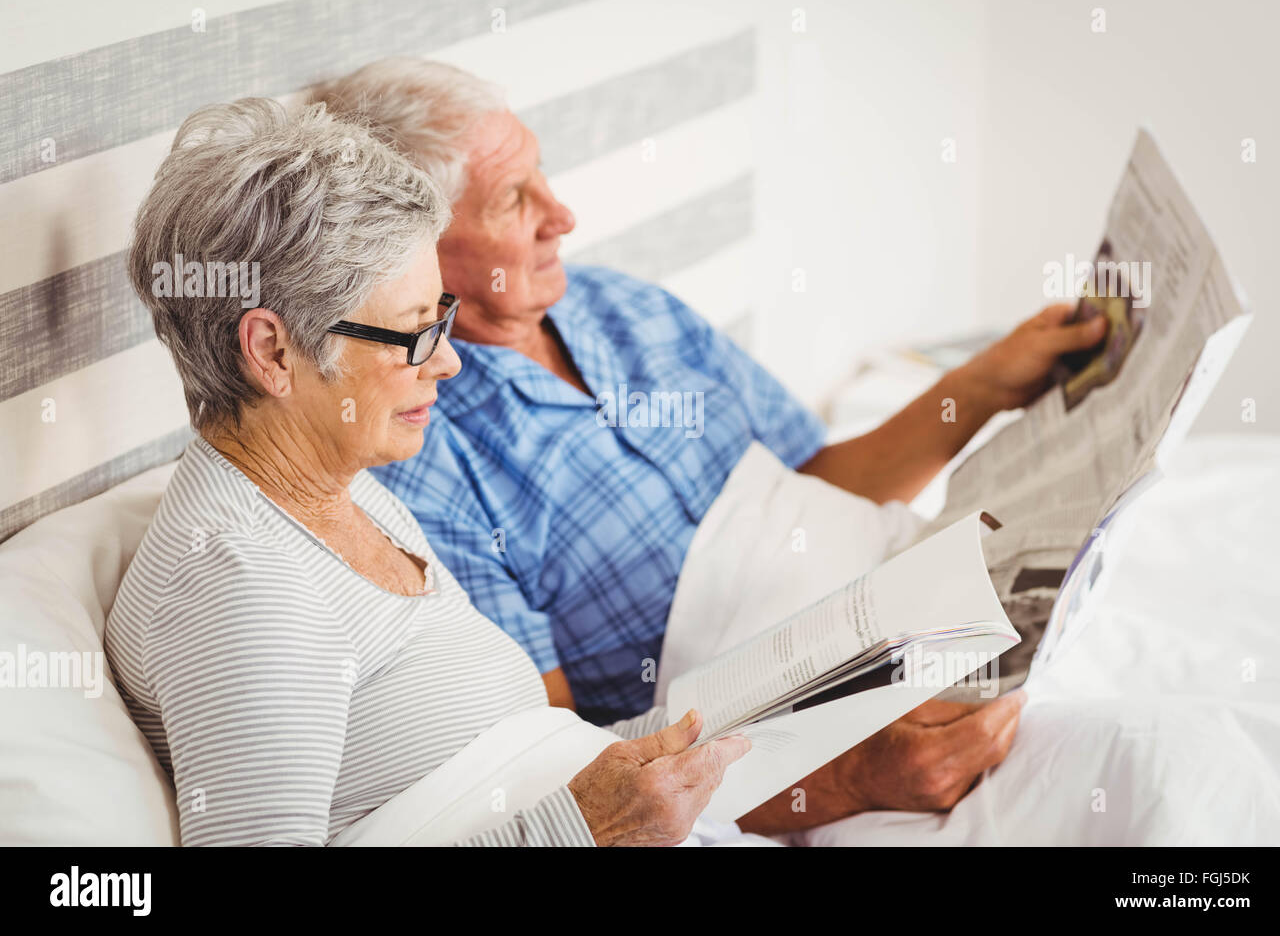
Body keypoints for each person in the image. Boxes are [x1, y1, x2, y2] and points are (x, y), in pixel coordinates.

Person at [313, 58, 1108, 832]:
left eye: (543, 175)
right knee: (1140, 767)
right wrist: (853, 781)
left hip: (913, 606)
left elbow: (815, 485)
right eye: (513, 200)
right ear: (414, 247)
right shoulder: (423, 460)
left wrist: (984, 388)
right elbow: (568, 768)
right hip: (790, 753)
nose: (562, 217)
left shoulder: (624, 308)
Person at [104, 97, 751, 847]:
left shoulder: (351, 493)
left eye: (438, 319)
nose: (448, 360)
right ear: (273, 353)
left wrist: (696, 744)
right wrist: (587, 828)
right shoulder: (238, 586)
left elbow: (502, 765)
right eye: (414, 335)